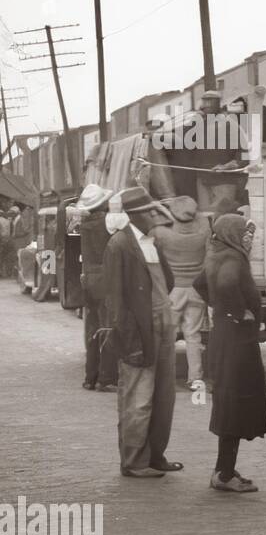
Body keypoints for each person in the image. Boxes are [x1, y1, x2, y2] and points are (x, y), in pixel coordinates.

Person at [103, 186, 182, 479]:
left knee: (164, 396)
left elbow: (168, 282)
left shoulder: (152, 242)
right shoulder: (119, 245)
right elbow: (115, 301)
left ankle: (155, 456)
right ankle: (135, 461)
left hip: (163, 323)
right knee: (138, 398)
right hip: (139, 329)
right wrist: (130, 341)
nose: (155, 215)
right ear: (135, 215)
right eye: (150, 211)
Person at [193, 215, 266, 493]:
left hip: (224, 338)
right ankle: (225, 475)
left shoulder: (218, 254)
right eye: (243, 232)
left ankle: (223, 469)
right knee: (234, 405)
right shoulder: (233, 260)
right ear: (231, 233)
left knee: (229, 403)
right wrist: (239, 312)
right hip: (237, 342)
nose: (248, 238)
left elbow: (199, 284)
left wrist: (220, 307)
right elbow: (226, 285)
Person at [154, 195, 210, 391]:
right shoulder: (203, 230)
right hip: (195, 289)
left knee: (167, 335)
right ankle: (195, 378)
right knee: (193, 336)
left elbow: (154, 222)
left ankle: (165, 377)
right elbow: (202, 219)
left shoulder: (162, 233)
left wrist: (163, 206)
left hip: (173, 290)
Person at [76, 184, 119, 392]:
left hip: (89, 279)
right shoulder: (107, 222)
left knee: (93, 329)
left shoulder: (85, 224)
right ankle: (106, 376)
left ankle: (90, 377)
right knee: (109, 327)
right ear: (102, 203)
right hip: (105, 279)